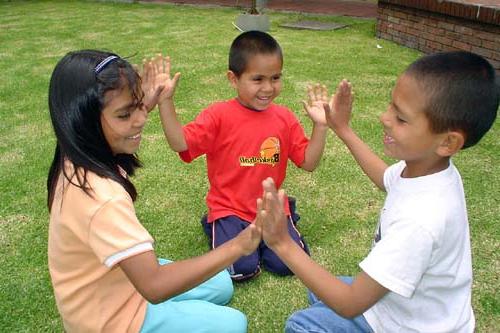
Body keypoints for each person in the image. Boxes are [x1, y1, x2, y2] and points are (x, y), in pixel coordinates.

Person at [257, 51, 498, 332]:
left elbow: (350, 304)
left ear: (448, 142)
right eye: (390, 106)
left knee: (303, 324)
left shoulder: (421, 221)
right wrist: (342, 128)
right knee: (321, 292)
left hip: (408, 326)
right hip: (410, 307)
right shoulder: (430, 169)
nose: (385, 118)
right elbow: (387, 178)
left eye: (401, 118)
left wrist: (282, 243)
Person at [46, 50, 263, 332]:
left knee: (221, 284)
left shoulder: (76, 152)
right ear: (84, 122)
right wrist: (238, 245)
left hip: (115, 281)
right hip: (114, 321)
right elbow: (155, 286)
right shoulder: (103, 199)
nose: (140, 119)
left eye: (138, 106)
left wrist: (144, 101)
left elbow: (119, 120)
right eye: (126, 113)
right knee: (234, 324)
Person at [158, 30, 329, 281]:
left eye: (275, 77)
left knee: (288, 266)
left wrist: (321, 126)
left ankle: (284, 213)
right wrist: (166, 102)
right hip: (230, 209)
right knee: (241, 270)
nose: (268, 88)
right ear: (233, 79)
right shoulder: (218, 115)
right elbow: (179, 143)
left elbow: (309, 162)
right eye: (257, 79)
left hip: (269, 208)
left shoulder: (284, 118)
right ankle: (215, 224)